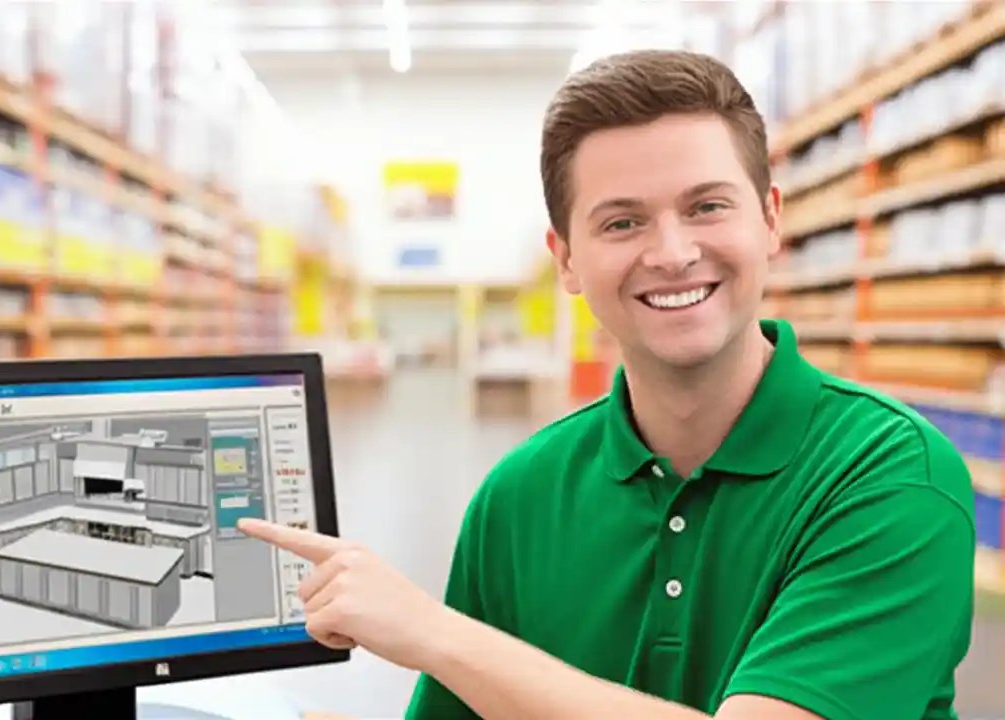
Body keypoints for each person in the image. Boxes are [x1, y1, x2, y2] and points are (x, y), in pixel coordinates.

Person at [238, 49, 976, 720]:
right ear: (565, 260)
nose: (674, 252)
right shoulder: (519, 497)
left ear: (770, 220)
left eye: (707, 206)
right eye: (622, 223)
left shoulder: (891, 476)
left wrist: (434, 633)